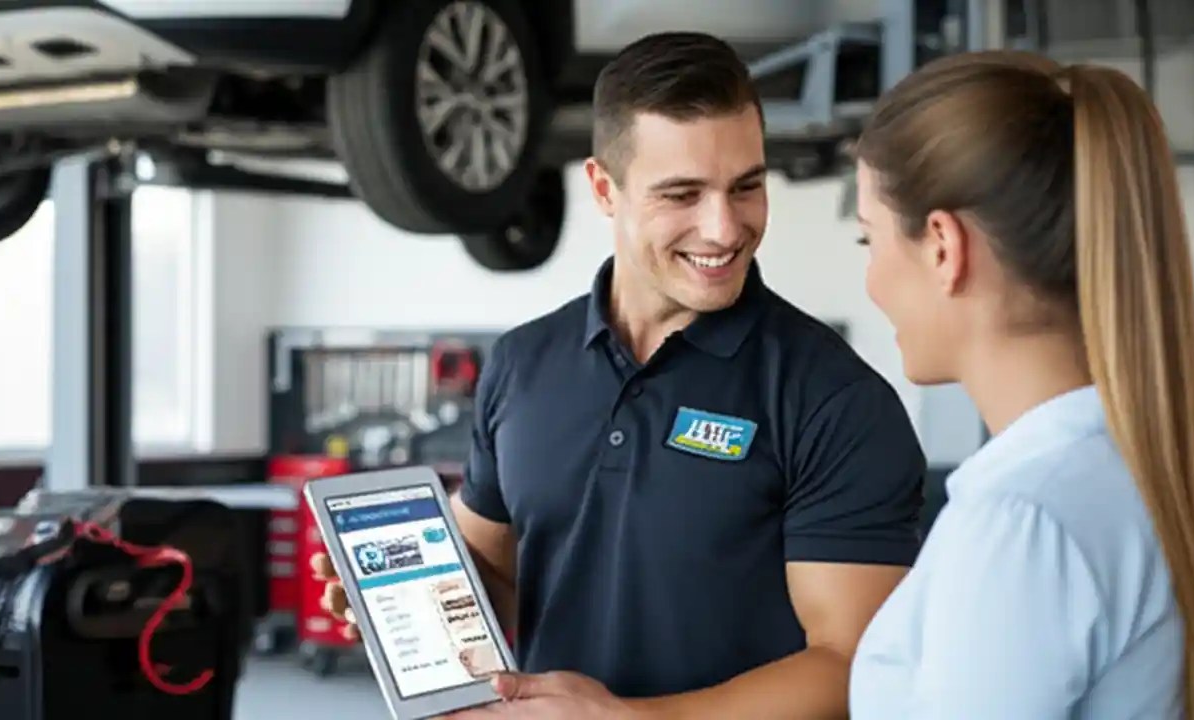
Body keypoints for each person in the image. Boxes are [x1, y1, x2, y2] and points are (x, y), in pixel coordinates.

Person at [312, 31, 927, 717]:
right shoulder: (523, 364)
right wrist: (402, 600)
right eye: (682, 194)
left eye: (746, 186)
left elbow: (852, 665)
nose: (724, 228)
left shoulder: (833, 399)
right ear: (605, 188)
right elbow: (496, 570)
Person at [846, 50, 1194, 719]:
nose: (869, 279)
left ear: (942, 247)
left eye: (867, 241)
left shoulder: (1022, 521)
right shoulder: (1107, 470)